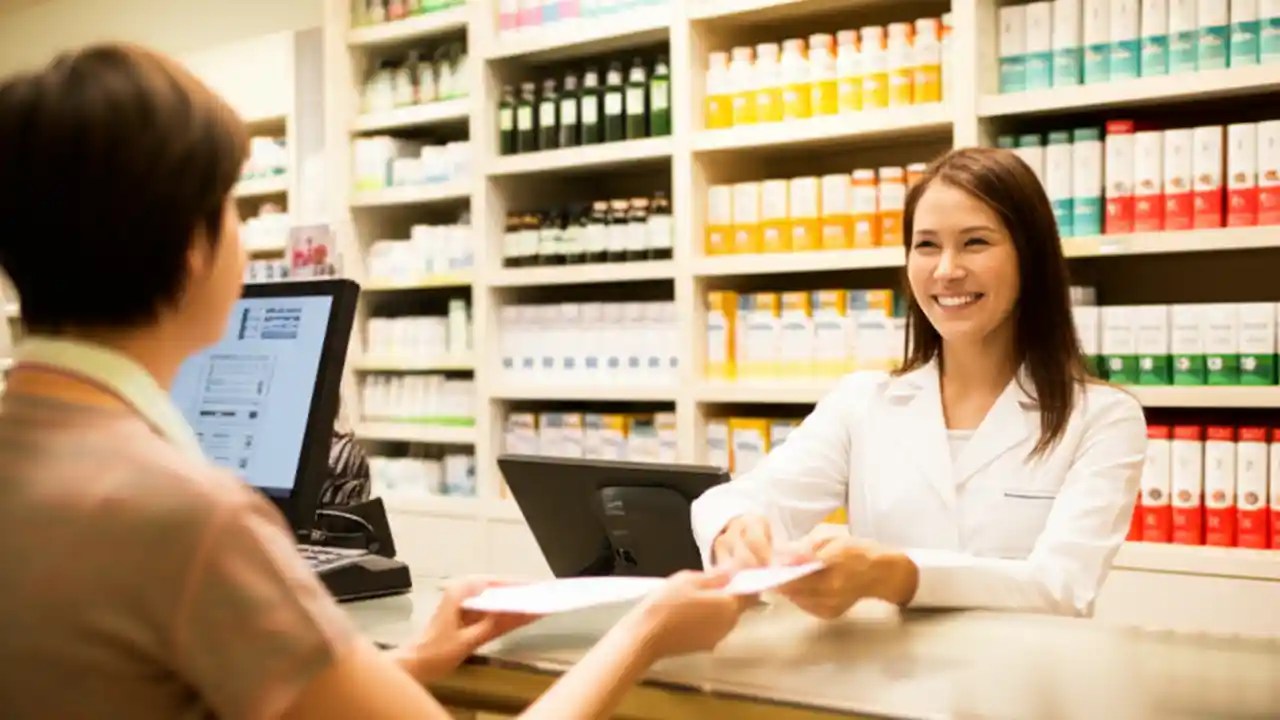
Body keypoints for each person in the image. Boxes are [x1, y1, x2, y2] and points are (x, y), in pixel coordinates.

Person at [0, 44, 748, 719]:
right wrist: (647, 629)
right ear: (194, 250)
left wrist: (413, 665)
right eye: (230, 205)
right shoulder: (192, 521)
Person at [692, 148, 1147, 619]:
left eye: (975, 243)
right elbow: (740, 498)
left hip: (1021, 683)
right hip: (878, 682)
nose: (947, 270)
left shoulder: (1103, 418)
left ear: (1029, 259)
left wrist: (893, 575)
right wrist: (739, 528)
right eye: (926, 245)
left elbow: (1061, 586)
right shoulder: (862, 402)